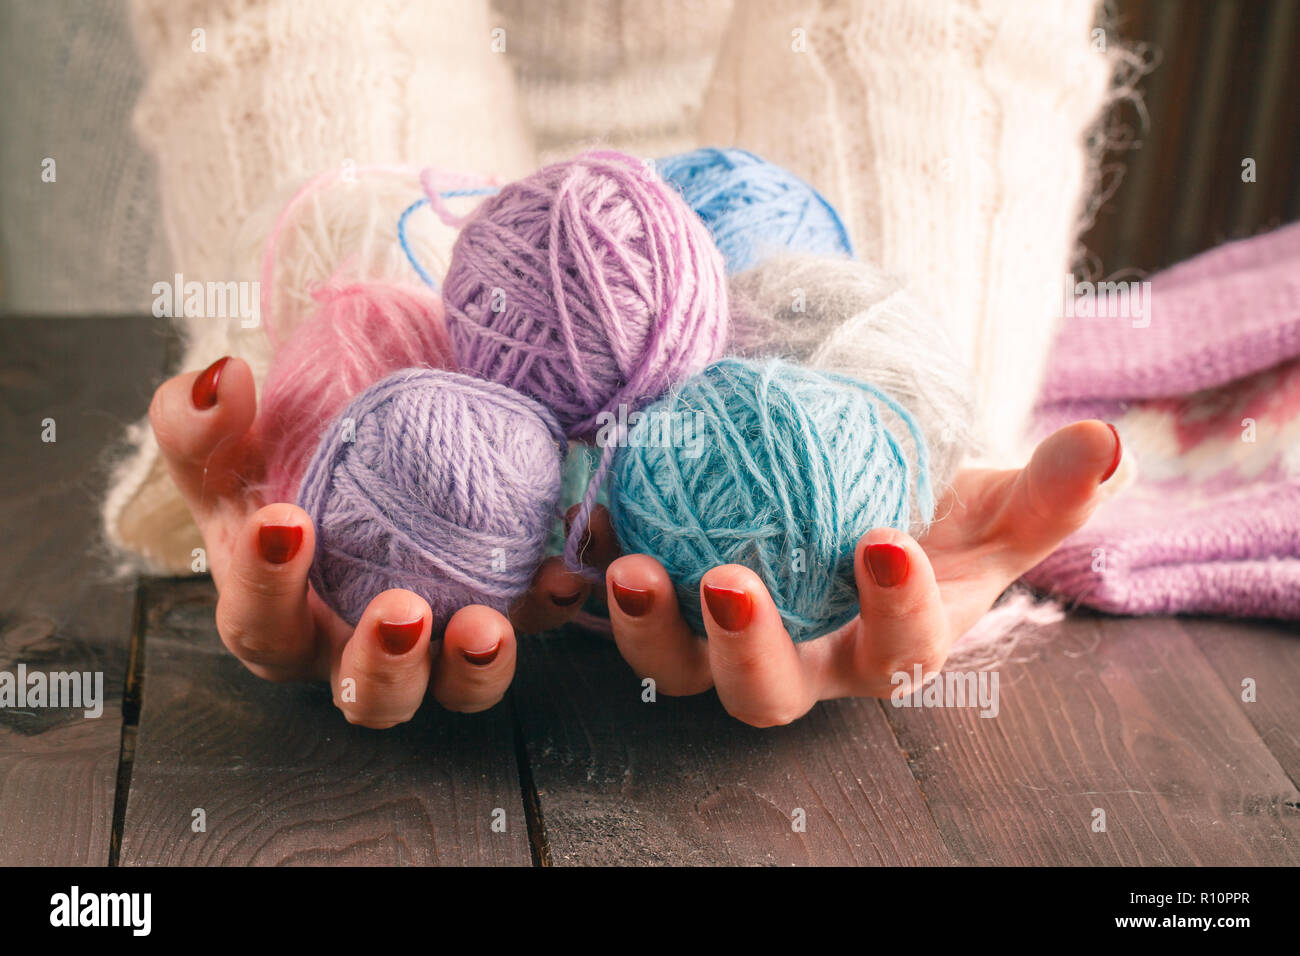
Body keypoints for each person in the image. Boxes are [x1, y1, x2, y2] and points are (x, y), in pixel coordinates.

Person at [113, 0, 1122, 727]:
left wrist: (910, 389)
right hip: (457, 248)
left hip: (766, 231)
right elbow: (297, 31)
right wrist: (322, 336)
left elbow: (934, 36)